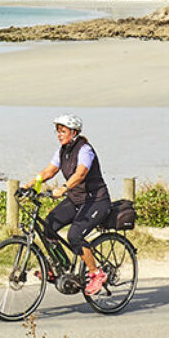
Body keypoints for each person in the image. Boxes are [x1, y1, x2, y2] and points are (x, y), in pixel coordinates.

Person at [25, 113, 111, 296]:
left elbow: (80, 173)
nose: (59, 134)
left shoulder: (84, 149)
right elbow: (50, 170)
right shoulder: (62, 150)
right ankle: (59, 265)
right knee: (48, 226)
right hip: (76, 199)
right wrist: (31, 184)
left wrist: (63, 188)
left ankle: (96, 273)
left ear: (73, 132)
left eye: (62, 131)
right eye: (57, 130)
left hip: (95, 200)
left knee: (74, 236)